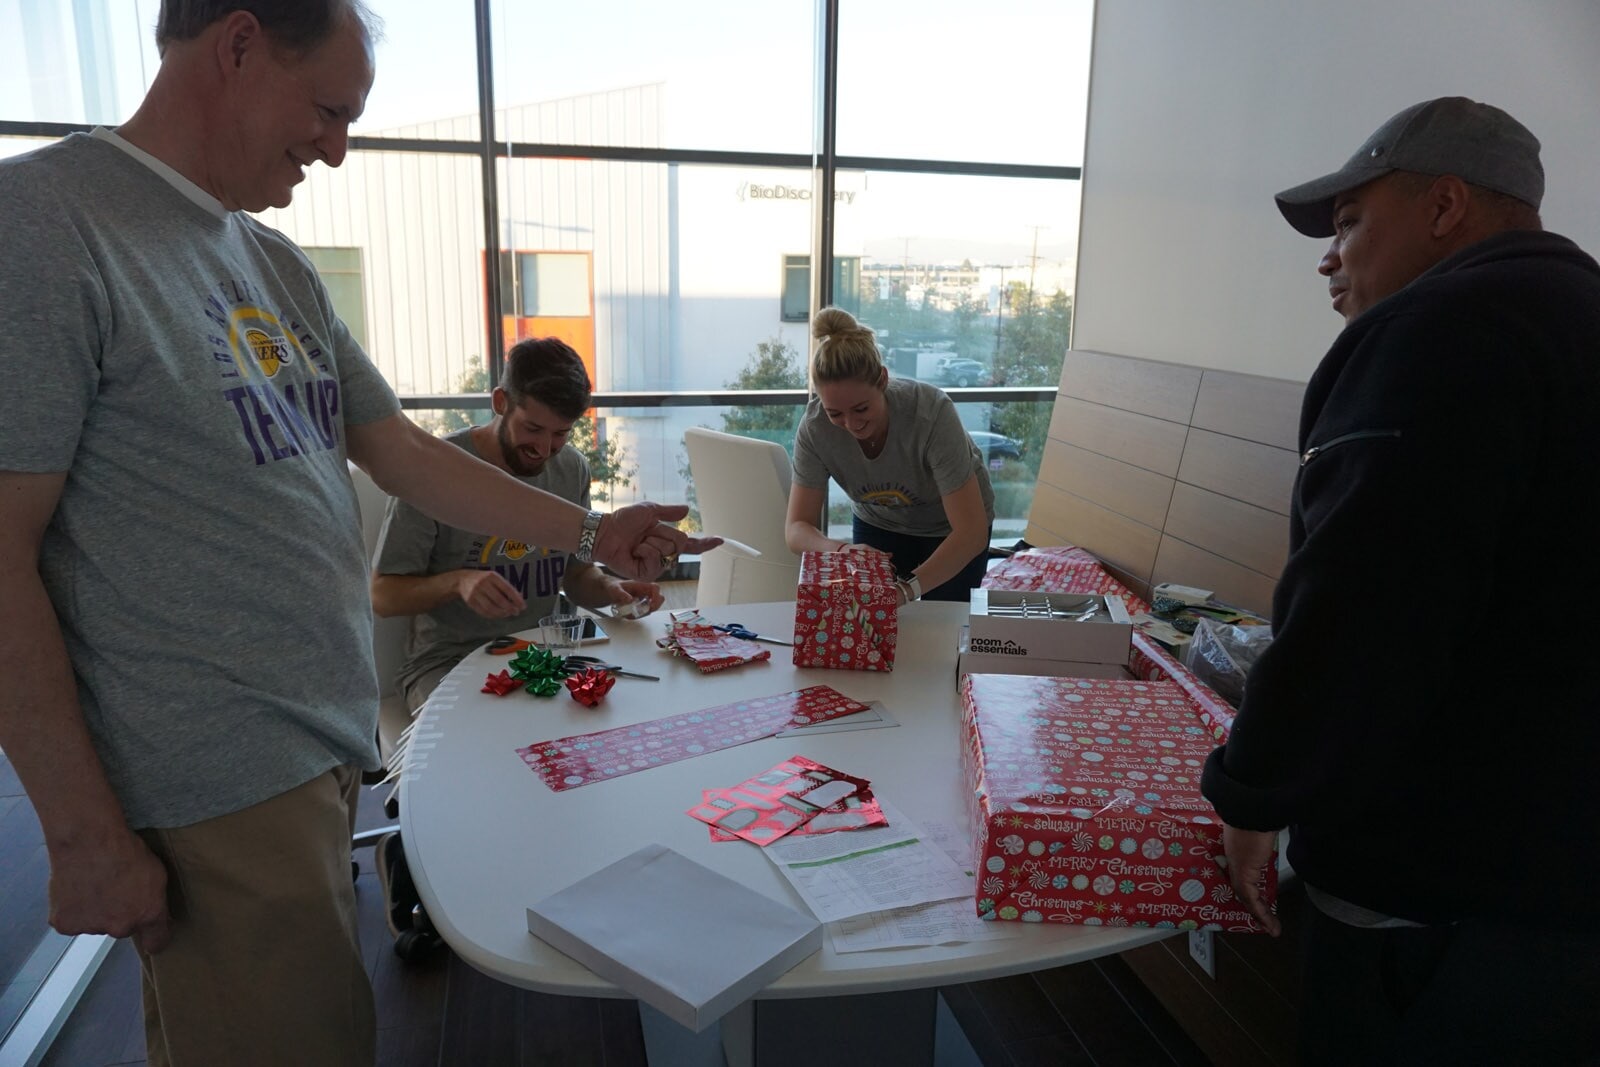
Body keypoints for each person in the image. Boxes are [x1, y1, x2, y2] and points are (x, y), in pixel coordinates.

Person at [0, 3, 715, 1065]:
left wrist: (594, 528)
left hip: (319, 744)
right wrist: (78, 829)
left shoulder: (271, 261)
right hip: (213, 770)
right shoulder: (45, 224)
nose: (337, 150)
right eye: (330, 110)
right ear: (238, 45)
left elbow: (407, 454)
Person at [1200, 97, 1600, 1064]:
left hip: (1443, 881)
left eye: (1348, 223)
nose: (1329, 258)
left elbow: (1358, 608)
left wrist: (1251, 792)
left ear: (1446, 205)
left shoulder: (1438, 332)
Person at [371, 336, 665, 713]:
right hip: (449, 662)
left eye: (560, 434)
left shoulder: (571, 468)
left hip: (544, 655)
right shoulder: (435, 470)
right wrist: (459, 582)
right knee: (489, 739)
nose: (543, 449)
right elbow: (382, 596)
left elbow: (576, 575)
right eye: (532, 428)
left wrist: (611, 588)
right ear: (500, 402)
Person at [784, 307, 995, 604]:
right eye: (835, 413)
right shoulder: (815, 428)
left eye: (861, 408)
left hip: (951, 529)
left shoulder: (931, 413)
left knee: (944, 620)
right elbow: (796, 529)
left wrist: (907, 590)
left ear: (883, 379)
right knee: (876, 617)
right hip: (879, 522)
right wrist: (841, 550)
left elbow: (971, 532)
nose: (852, 424)